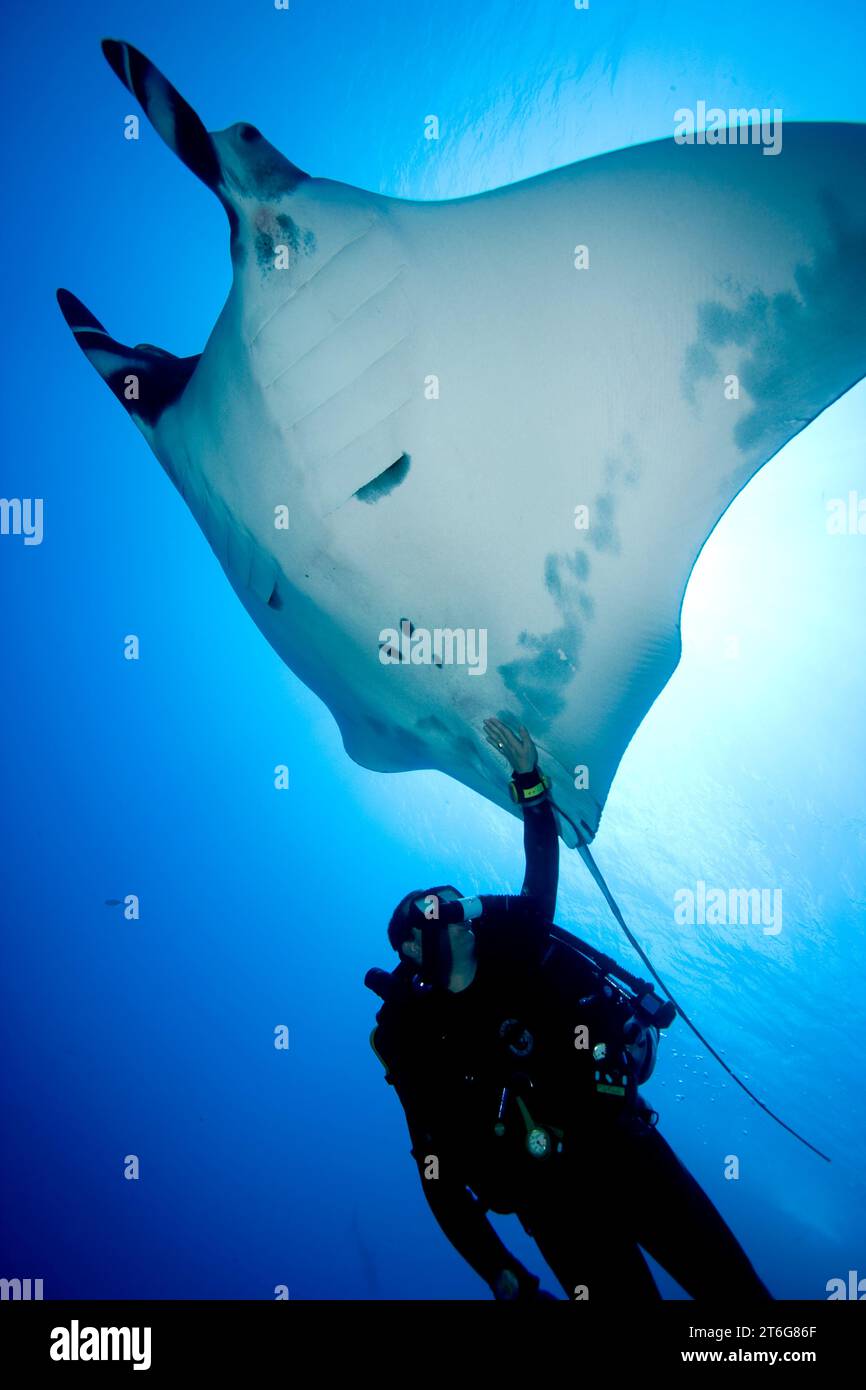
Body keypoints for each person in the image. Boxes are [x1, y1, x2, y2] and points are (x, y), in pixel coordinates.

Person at [366, 717, 773, 1302]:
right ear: (409, 945)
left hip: (624, 1152)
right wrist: (498, 1269)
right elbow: (434, 1169)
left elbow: (539, 887)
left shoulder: (517, 956)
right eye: (436, 906)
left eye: (458, 900)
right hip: (552, 1205)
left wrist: (530, 781)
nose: (457, 908)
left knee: (740, 1301)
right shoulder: (415, 1037)